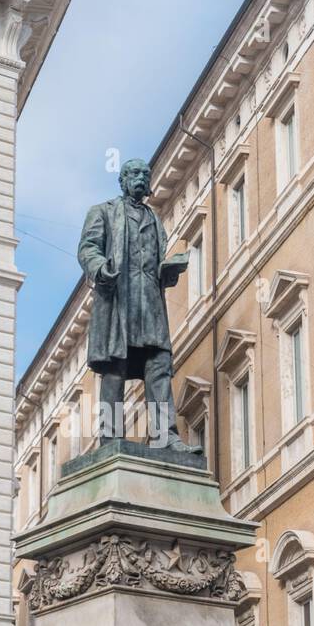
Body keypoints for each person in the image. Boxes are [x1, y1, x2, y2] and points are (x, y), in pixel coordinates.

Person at [77, 158, 198, 451]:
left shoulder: (154, 220)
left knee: (159, 367)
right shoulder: (103, 212)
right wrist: (100, 267)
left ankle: (165, 435)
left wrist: (166, 270)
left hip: (150, 305)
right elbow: (87, 248)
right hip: (119, 300)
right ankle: (110, 437)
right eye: (134, 173)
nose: (141, 178)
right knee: (114, 370)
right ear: (123, 180)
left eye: (146, 174)